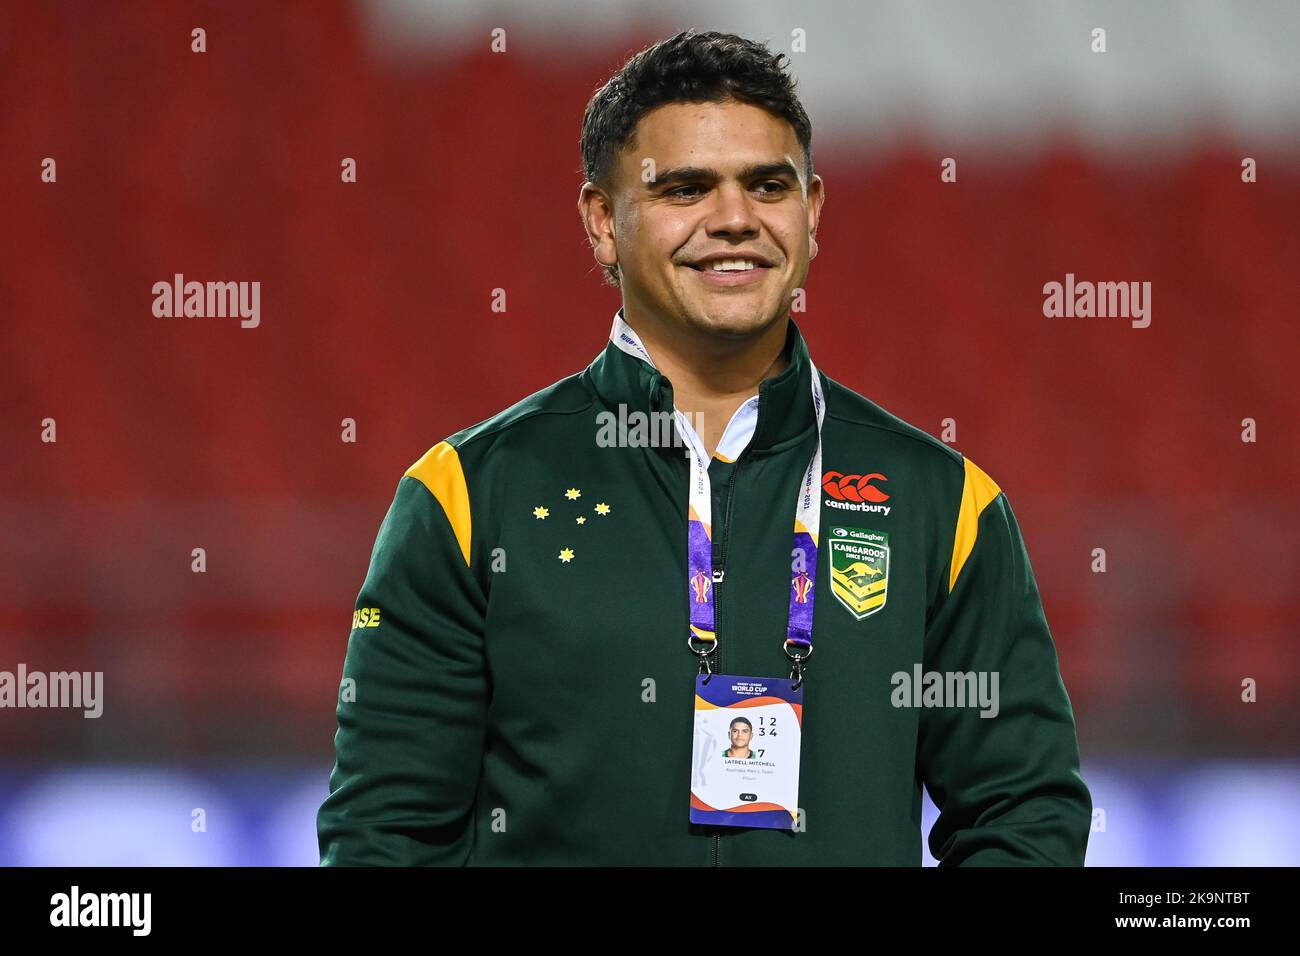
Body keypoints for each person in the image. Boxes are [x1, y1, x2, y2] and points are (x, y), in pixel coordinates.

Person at [317, 29, 1091, 866]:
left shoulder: (942, 501)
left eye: (767, 185)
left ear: (813, 212)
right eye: (685, 189)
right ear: (603, 222)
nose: (733, 219)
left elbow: (1025, 815)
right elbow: (383, 839)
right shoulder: (471, 494)